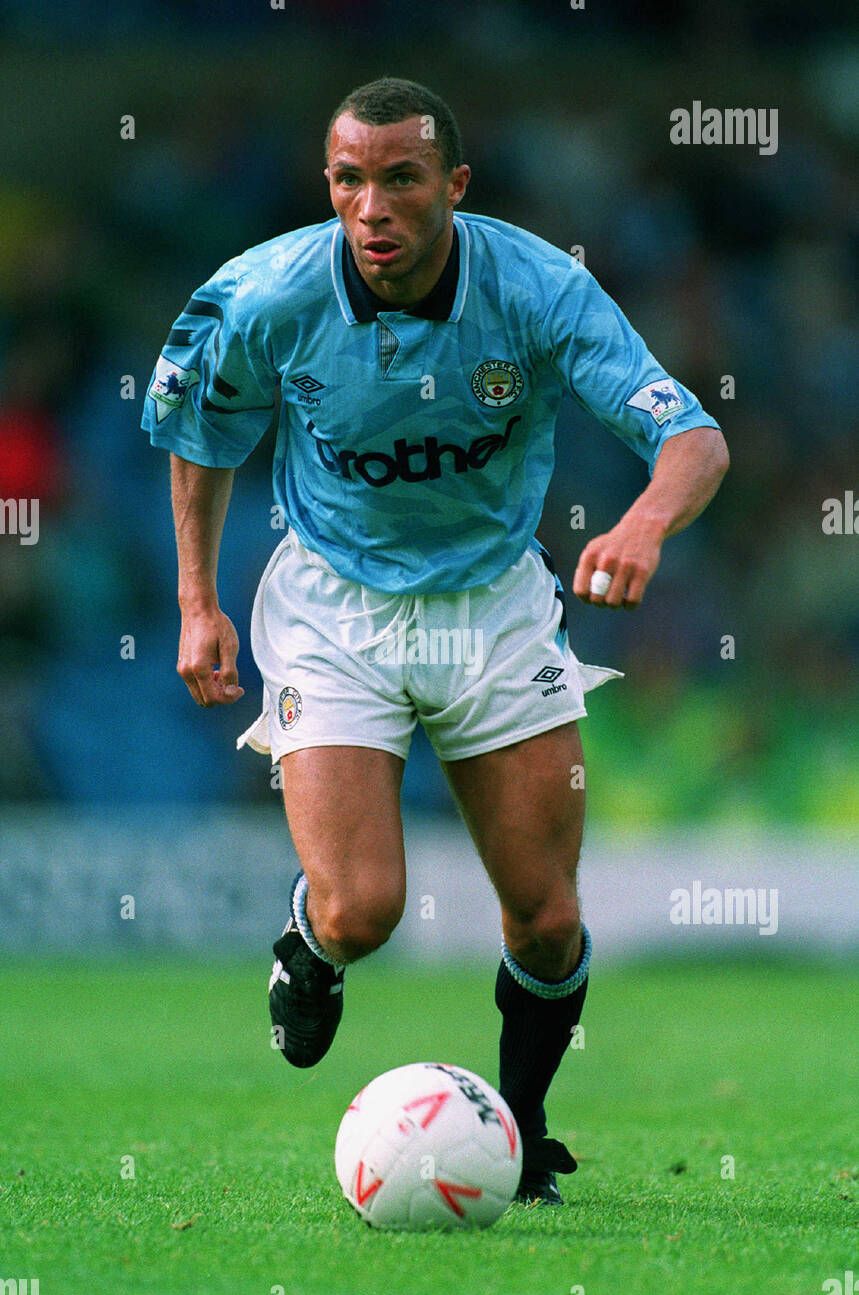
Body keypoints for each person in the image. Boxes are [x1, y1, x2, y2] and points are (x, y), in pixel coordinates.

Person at [143, 77, 728, 1207]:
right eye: (348, 181)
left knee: (547, 918)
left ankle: (525, 1133)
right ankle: (309, 948)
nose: (372, 207)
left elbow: (691, 437)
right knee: (365, 909)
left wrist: (644, 522)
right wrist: (195, 600)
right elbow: (202, 431)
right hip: (333, 606)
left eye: (400, 179)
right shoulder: (265, 294)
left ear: (453, 186)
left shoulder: (540, 290)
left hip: (495, 603)